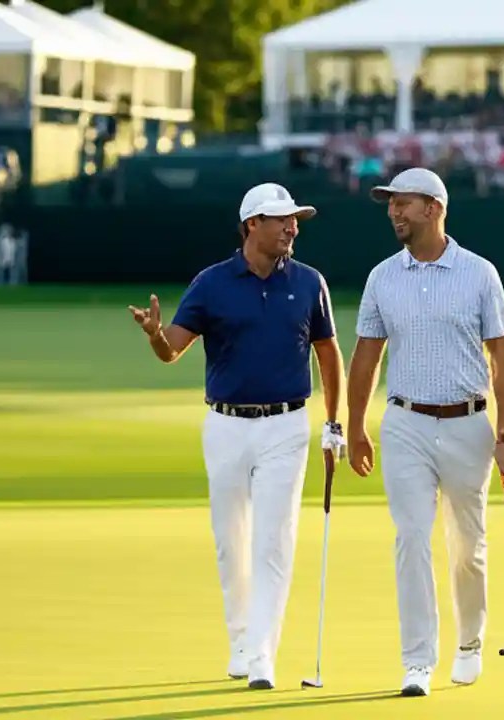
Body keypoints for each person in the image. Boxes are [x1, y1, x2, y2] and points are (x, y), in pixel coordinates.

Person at [127, 182, 346, 690]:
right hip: (225, 426)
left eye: (295, 219)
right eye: (282, 219)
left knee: (274, 541)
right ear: (252, 225)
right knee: (232, 542)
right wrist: (155, 334)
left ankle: (264, 654)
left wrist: (335, 422)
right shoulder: (211, 283)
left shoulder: (310, 282)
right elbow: (172, 351)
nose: (293, 227)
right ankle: (242, 642)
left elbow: (328, 356)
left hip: (287, 425)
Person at [345, 167, 504, 697]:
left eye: (404, 203)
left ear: (434, 207)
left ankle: (469, 643)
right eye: (390, 204)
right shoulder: (382, 277)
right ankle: (417, 660)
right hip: (405, 424)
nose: (394, 212)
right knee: (412, 536)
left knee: (468, 545)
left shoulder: (479, 273)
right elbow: (365, 358)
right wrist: (355, 427)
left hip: (469, 424)